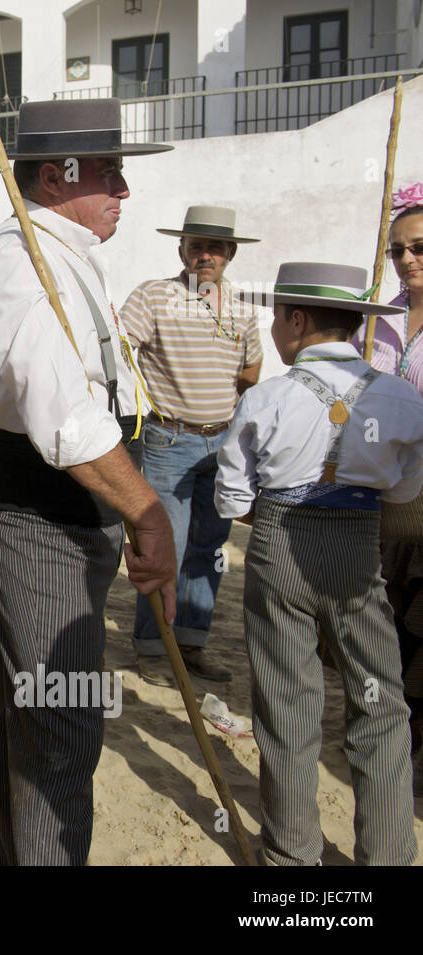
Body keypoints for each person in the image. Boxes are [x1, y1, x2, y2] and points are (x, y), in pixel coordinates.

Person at [0, 99, 177, 865]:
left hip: (73, 512)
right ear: (55, 176)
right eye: (110, 170)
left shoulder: (62, 251)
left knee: (35, 715)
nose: (123, 187)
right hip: (40, 513)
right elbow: (64, 416)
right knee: (60, 729)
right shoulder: (20, 259)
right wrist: (148, 511)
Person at [215, 261, 421, 865]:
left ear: (296, 321)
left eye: (277, 317)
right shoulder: (402, 399)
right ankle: (385, 856)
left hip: (279, 548)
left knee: (286, 702)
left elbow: (232, 499)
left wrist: (286, 503)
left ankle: (292, 853)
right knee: (380, 704)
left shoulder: (264, 398)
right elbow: (404, 493)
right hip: (359, 548)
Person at [120, 206, 263, 687]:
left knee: (210, 547)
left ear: (229, 254)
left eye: (215, 248)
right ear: (181, 250)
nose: (206, 255)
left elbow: (250, 372)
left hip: (222, 443)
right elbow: (121, 349)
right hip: (169, 439)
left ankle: (191, 643)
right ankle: (153, 650)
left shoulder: (241, 308)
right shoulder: (154, 296)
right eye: (196, 246)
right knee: (167, 546)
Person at [350, 180, 423, 793]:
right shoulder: (380, 321)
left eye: (419, 246)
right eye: (398, 249)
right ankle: (397, 741)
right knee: (386, 622)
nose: (407, 260)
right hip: (384, 498)